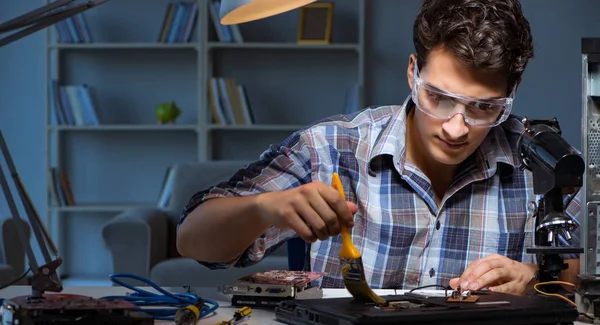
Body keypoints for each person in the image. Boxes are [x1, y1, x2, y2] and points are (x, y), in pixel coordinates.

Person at [176, 0, 582, 295]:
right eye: (438, 98)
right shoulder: (332, 146)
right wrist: (266, 207)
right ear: (412, 72)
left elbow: (583, 266)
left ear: (513, 94)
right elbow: (192, 240)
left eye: (483, 107)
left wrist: (536, 279)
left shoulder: (540, 158)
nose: (457, 128)